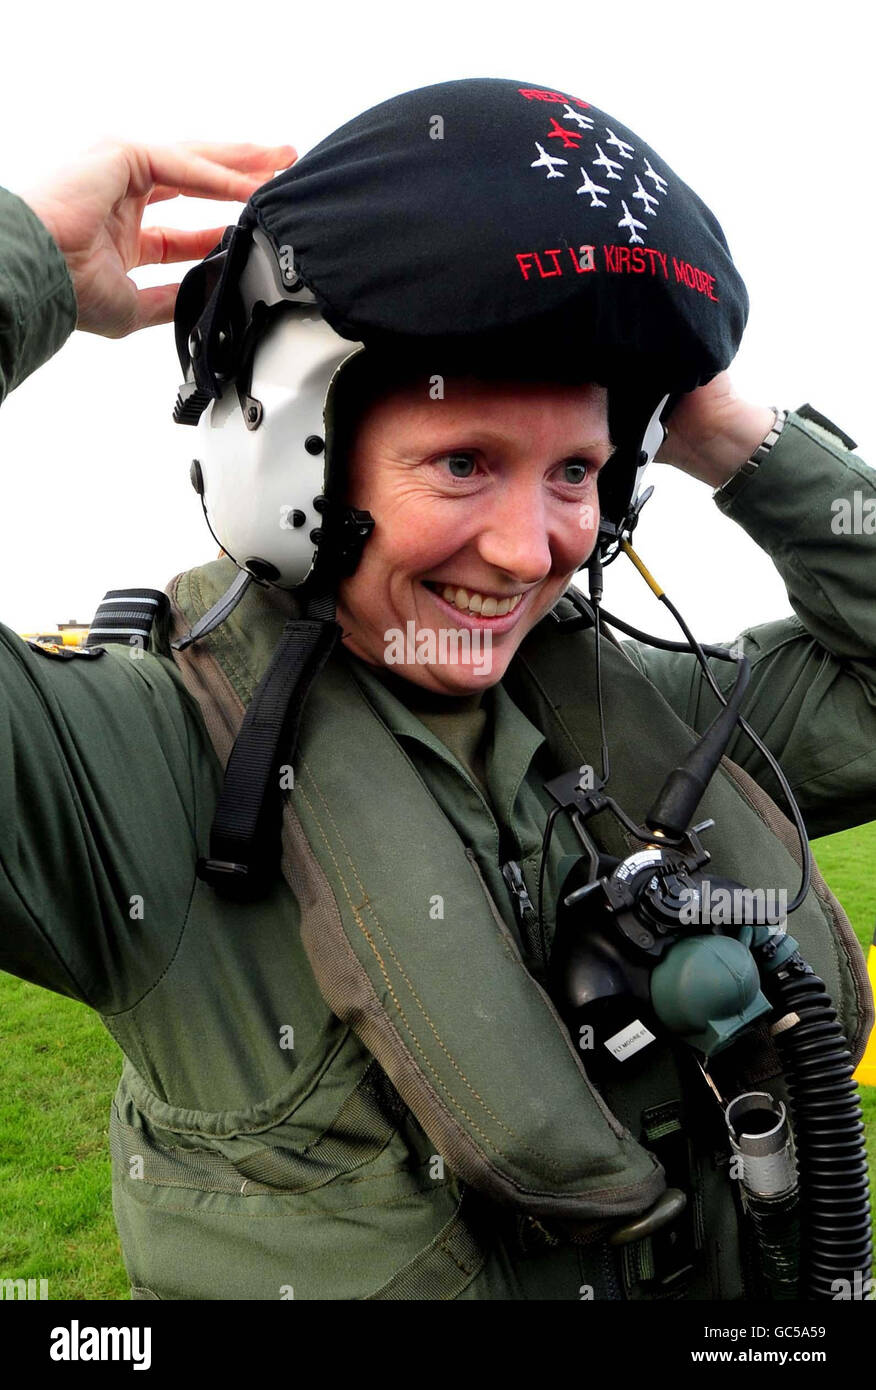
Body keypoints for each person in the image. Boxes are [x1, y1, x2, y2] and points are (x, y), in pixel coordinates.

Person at [1, 80, 873, 1302]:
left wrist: (730, 429)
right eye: (464, 462)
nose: (533, 550)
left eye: (578, 470)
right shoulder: (136, 769)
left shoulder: (653, 714)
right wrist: (24, 254)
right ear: (291, 468)